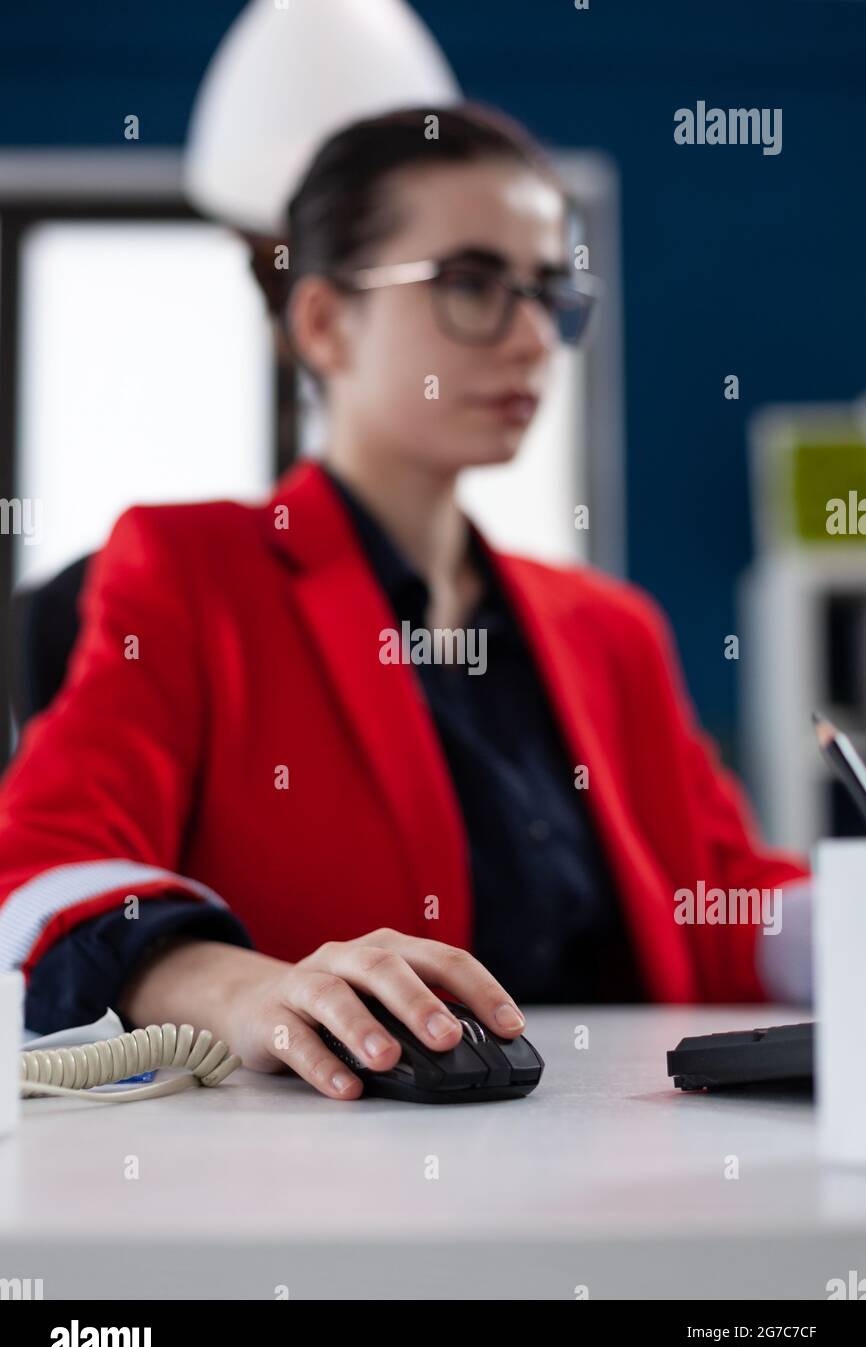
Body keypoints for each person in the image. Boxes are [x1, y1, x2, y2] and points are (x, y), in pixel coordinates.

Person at [0, 103, 810, 1101]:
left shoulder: (609, 628)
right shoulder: (187, 567)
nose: (530, 338)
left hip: (641, 1145)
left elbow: (721, 897)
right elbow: (37, 865)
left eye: (546, 290)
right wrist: (242, 988)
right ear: (324, 322)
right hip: (335, 1177)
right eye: (471, 283)